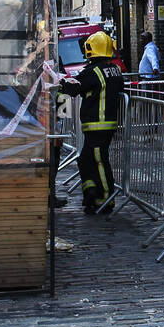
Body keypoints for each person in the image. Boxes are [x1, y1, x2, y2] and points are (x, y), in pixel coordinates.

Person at [59, 31, 126, 215]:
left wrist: (57, 85)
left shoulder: (92, 72)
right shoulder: (114, 69)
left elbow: (72, 88)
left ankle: (106, 200)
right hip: (106, 124)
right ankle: (91, 194)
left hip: (97, 125)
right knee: (85, 160)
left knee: (99, 161)